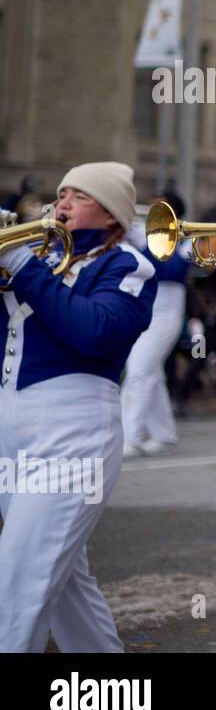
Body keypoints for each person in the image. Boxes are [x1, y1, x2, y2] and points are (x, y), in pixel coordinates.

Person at [0, 162, 157, 651]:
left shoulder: (128, 266)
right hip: (12, 424)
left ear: (111, 215)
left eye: (79, 196)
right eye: (61, 192)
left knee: (17, 582)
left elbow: (94, 331)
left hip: (75, 431)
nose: (61, 202)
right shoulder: (41, 260)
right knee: (66, 586)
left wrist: (23, 266)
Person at [121, 189, 190, 457]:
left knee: (138, 371)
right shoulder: (145, 236)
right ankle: (164, 433)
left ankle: (131, 437)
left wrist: (144, 246)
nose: (151, 214)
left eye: (158, 209)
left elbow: (170, 271)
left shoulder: (183, 242)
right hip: (145, 312)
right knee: (152, 374)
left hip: (166, 316)